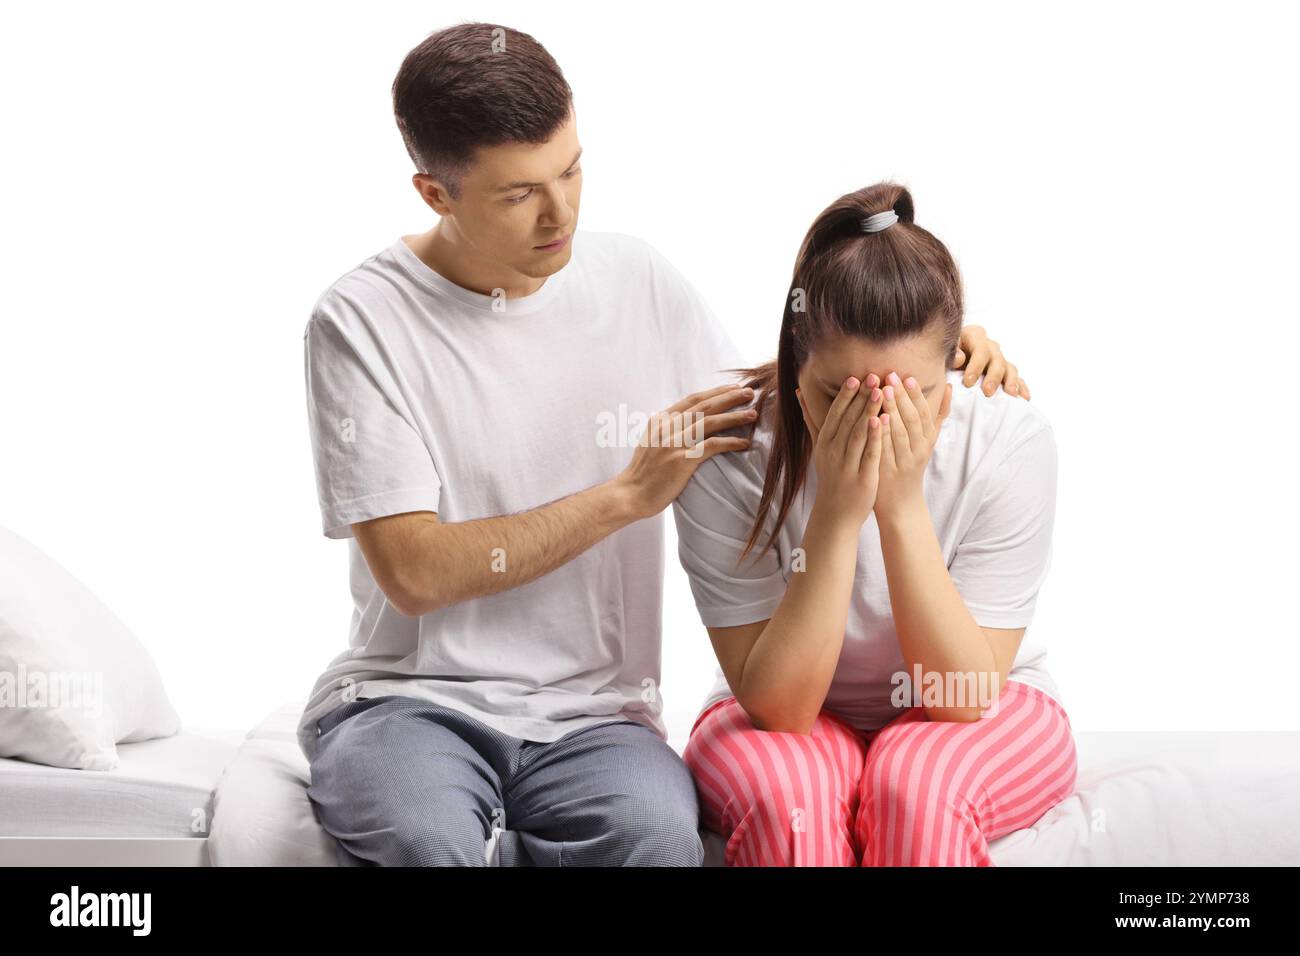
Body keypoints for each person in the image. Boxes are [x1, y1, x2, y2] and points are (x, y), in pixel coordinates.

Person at [299, 23, 1028, 866]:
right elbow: (415, 571)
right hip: (409, 703)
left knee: (653, 836)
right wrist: (625, 497)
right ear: (435, 193)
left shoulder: (635, 279)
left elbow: (791, 383)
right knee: (423, 835)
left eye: (571, 170)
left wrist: (928, 350)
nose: (561, 212)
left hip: (597, 720)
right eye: (517, 193)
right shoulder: (358, 322)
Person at [672, 182, 1075, 866]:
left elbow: (964, 696)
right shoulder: (731, 454)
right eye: (842, 394)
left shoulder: (1008, 440)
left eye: (906, 395)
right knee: (786, 798)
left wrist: (900, 505)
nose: (876, 421)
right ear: (798, 373)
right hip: (779, 701)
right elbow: (782, 710)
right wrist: (836, 513)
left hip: (987, 698)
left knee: (915, 785)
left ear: (947, 386)